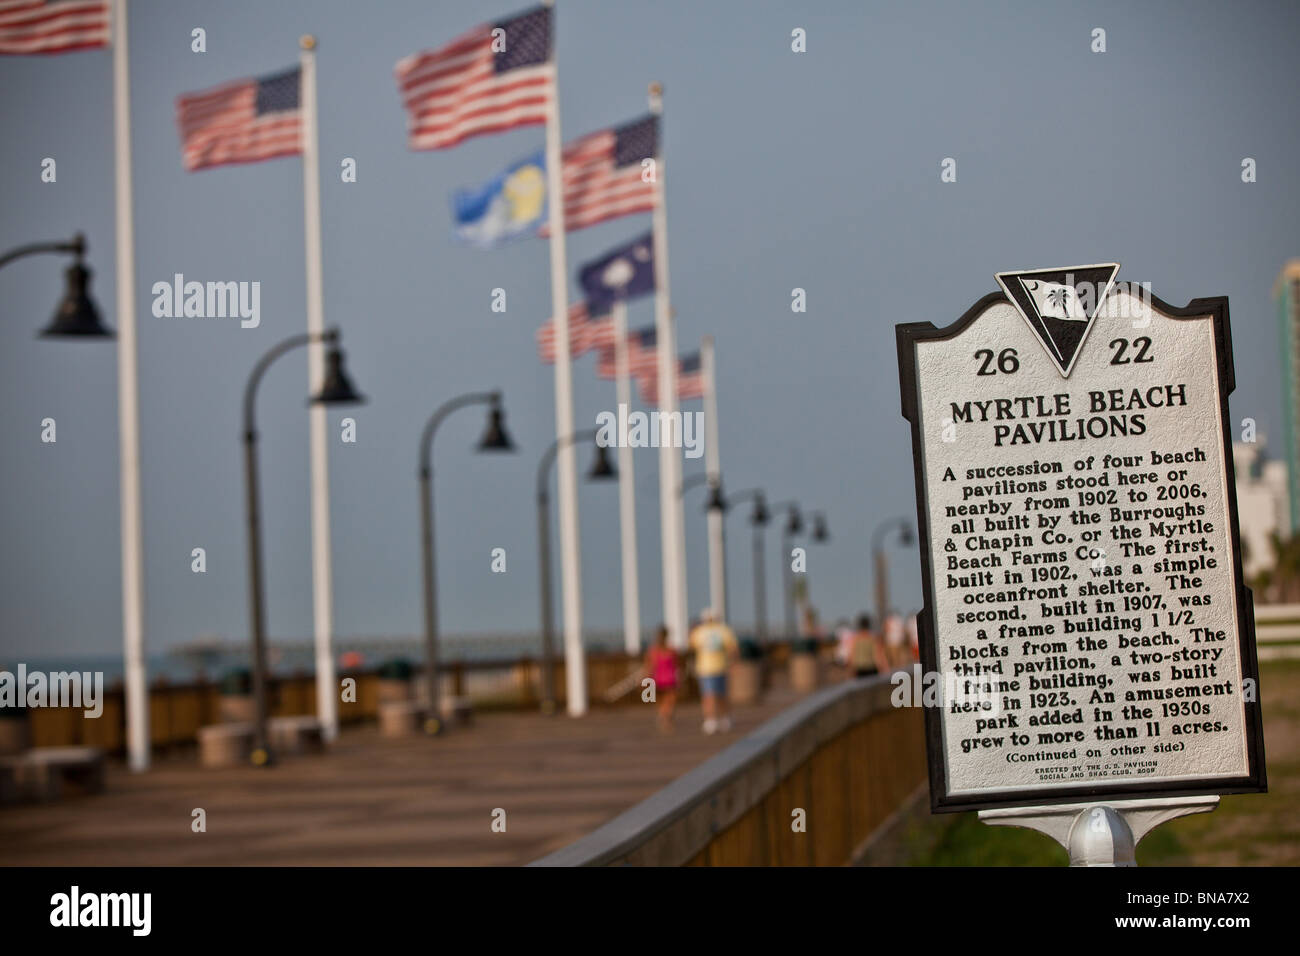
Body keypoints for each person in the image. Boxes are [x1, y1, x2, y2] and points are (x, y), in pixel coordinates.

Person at [689, 608, 738, 734]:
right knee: (716, 695)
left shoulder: (700, 631)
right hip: (715, 667)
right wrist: (733, 663)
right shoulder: (722, 630)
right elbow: (733, 648)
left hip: (709, 668)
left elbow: (691, 646)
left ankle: (714, 719)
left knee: (712, 695)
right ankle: (717, 718)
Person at [644, 626, 679, 732]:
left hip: (658, 679)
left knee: (661, 702)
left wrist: (646, 679)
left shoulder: (653, 651)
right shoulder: (671, 650)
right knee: (670, 702)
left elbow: (649, 667)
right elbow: (677, 665)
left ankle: (663, 718)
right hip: (669, 678)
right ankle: (666, 719)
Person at [849, 614, 877, 678]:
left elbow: (852, 655)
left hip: (859, 669)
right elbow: (878, 655)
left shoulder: (855, 639)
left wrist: (851, 670)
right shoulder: (872, 639)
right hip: (871, 668)